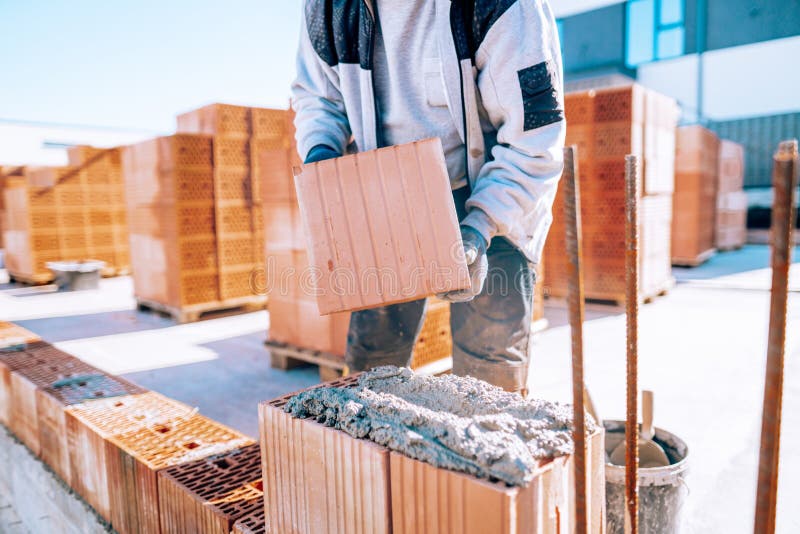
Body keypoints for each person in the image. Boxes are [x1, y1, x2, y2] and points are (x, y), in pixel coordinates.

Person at [292, 0, 565, 394]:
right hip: (382, 197)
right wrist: (322, 154)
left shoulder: (506, 6)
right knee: (371, 378)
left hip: (491, 188)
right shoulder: (330, 7)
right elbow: (318, 98)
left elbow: (534, 142)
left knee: (489, 384)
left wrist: (480, 228)